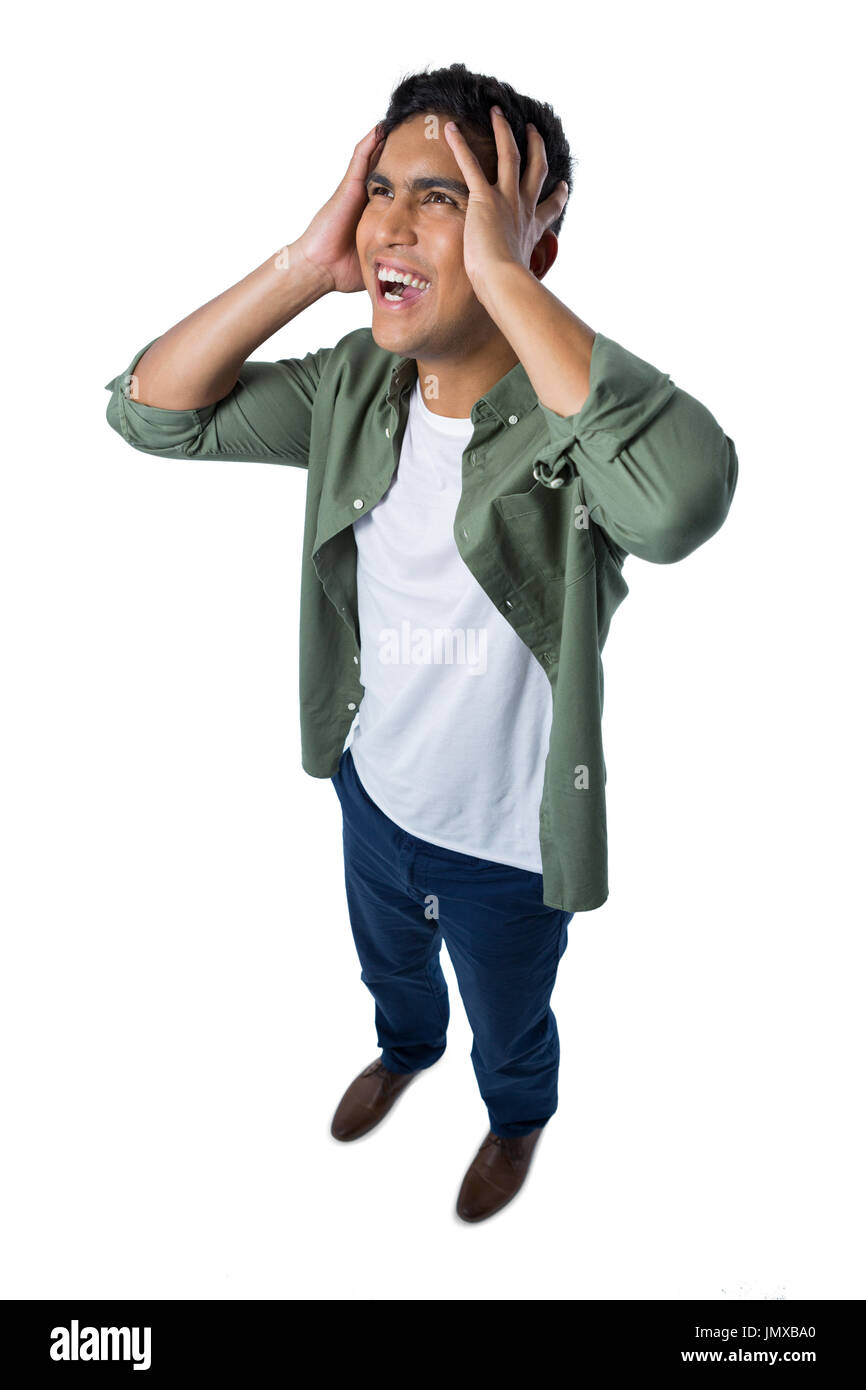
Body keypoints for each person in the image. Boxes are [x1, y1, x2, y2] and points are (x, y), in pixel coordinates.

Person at [104, 62, 738, 1224]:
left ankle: (514, 1112)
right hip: (372, 796)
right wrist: (305, 266)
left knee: (509, 1010)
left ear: (531, 242)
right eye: (381, 188)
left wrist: (500, 277)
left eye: (443, 199)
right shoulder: (359, 384)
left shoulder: (574, 427)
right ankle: (403, 1047)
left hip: (504, 848)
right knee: (391, 968)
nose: (390, 220)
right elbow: (152, 412)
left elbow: (683, 500)